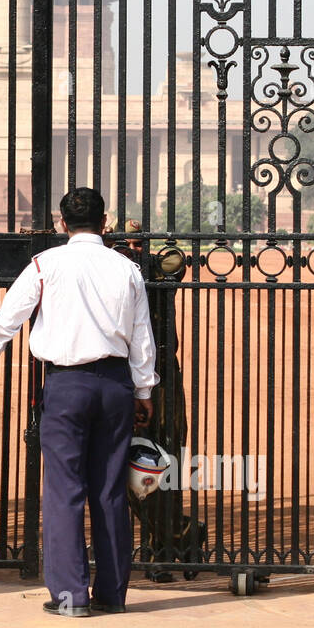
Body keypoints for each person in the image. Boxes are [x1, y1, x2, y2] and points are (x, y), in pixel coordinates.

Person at [0, 188, 157, 616]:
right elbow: (142, 336)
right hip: (115, 385)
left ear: (61, 223)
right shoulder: (126, 268)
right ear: (105, 223)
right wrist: (144, 391)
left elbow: (11, 313)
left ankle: (71, 596)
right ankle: (112, 594)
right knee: (110, 490)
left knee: (64, 489)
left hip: (66, 385)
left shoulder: (46, 264)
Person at [116, 220, 207, 582]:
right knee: (124, 469)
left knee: (162, 467)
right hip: (118, 379)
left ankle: (160, 553)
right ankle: (182, 534)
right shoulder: (110, 275)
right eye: (126, 244)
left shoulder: (155, 271)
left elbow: (176, 260)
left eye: (139, 244)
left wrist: (141, 255)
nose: (132, 250)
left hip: (163, 381)